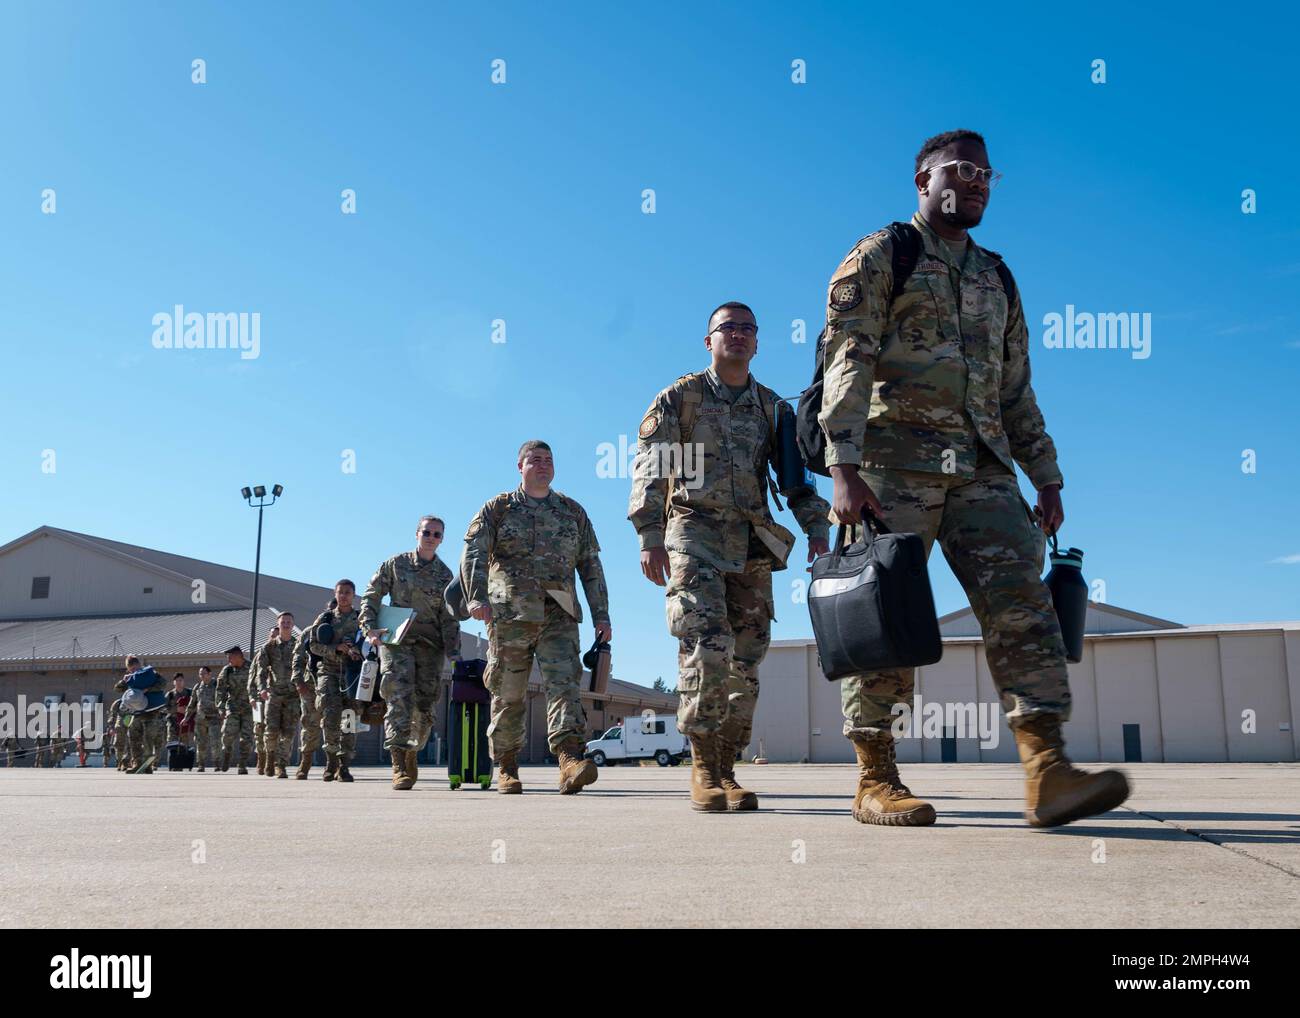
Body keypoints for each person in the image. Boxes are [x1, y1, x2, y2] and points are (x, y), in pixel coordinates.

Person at [818, 128, 1129, 828]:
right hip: (892, 464)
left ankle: (1046, 768)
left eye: (988, 172)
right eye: (962, 169)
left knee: (1024, 604)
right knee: (886, 618)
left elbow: (1016, 390)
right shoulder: (882, 255)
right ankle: (875, 778)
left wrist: (1046, 477)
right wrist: (843, 465)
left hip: (983, 470)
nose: (979, 180)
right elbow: (848, 359)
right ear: (924, 180)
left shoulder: (998, 276)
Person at [629, 302, 831, 811]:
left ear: (758, 342)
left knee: (747, 658)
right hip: (693, 533)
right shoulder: (682, 399)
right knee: (707, 644)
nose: (737, 335)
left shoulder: (772, 408)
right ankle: (701, 766)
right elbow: (651, 469)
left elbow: (795, 480)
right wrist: (649, 535)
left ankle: (726, 767)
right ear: (708, 341)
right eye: (727, 328)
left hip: (751, 542)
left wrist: (817, 532)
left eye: (747, 329)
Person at [461, 440, 610, 795]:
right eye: (534, 460)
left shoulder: (572, 511)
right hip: (509, 613)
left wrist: (601, 614)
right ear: (520, 466)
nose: (542, 465)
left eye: (548, 460)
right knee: (508, 693)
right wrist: (476, 598)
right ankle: (507, 765)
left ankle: (570, 759)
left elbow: (590, 566)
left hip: (559, 612)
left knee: (565, 686)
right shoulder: (497, 509)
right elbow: (474, 553)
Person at [361, 516, 462, 791]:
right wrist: (370, 628)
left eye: (437, 534)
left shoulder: (445, 575)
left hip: (431, 647)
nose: (431, 537)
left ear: (441, 539)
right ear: (417, 534)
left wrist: (454, 654)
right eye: (427, 532)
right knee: (398, 697)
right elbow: (371, 595)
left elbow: (449, 618)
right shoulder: (396, 564)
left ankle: (412, 752)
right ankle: (398, 764)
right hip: (397, 643)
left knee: (425, 706)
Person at [308, 582, 363, 782]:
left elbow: (372, 643)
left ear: (354, 595)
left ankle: (344, 765)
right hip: (329, 672)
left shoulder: (362, 619)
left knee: (349, 720)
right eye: (341, 592)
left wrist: (359, 652)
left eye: (348, 593)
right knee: (330, 717)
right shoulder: (326, 618)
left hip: (353, 674)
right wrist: (335, 648)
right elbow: (313, 645)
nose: (344, 596)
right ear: (335, 594)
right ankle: (330, 762)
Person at [253, 612, 299, 779]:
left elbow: (306, 668)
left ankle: (281, 765)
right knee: (271, 730)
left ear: (293, 625)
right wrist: (262, 688)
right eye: (283, 622)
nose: (286, 624)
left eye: (289, 621)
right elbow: (261, 671)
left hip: (293, 695)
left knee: (288, 732)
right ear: (278, 624)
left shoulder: (299, 645)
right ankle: (270, 757)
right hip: (274, 694)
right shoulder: (269, 647)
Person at [114, 655, 166, 773]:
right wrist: (124, 680)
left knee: (148, 738)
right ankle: (137, 763)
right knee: (133, 737)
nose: (133, 671)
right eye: (130, 670)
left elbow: (163, 683)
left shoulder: (150, 674)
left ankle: (147, 765)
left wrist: (147, 689)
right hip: (137, 713)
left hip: (151, 713)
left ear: (139, 665)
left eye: (134, 669)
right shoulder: (131, 678)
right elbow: (117, 689)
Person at [214, 646, 255, 774]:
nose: (229, 660)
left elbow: (260, 684)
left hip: (251, 708)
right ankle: (227, 754)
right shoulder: (227, 670)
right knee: (227, 735)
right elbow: (220, 690)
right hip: (233, 707)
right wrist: (221, 708)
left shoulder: (252, 667)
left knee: (247, 738)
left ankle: (242, 764)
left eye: (231, 657)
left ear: (239, 656)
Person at [290, 620, 322, 779]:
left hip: (339, 684)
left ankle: (338, 764)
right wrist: (298, 681)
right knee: (309, 723)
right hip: (311, 685)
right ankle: (305, 762)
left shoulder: (350, 627)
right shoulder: (309, 631)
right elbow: (298, 657)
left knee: (341, 725)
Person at [185, 666, 221, 771]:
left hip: (214, 718)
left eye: (204, 673)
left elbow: (223, 699)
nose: (202, 676)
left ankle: (217, 764)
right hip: (200, 719)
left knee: (216, 742)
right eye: (200, 674)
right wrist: (186, 717)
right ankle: (201, 764)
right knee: (200, 743)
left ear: (210, 674)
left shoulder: (216, 685)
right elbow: (192, 704)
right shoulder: (197, 687)